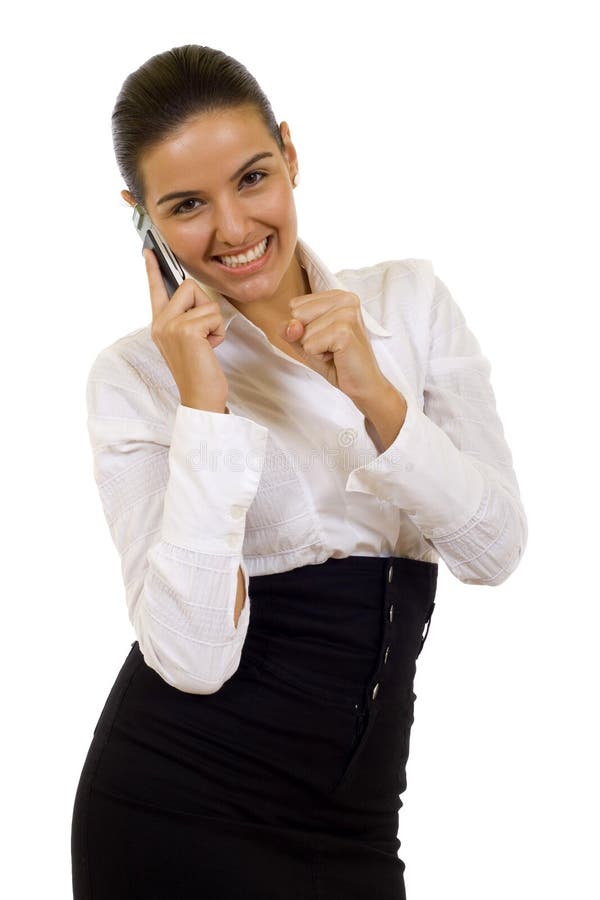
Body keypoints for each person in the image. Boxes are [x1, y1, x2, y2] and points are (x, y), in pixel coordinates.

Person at [70, 43, 528, 900]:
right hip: (175, 812)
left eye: (251, 178)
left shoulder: (408, 304)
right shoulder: (132, 380)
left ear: (288, 149)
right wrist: (202, 400)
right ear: (140, 219)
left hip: (357, 826)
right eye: (185, 205)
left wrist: (376, 394)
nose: (235, 230)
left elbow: (494, 549)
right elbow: (196, 657)